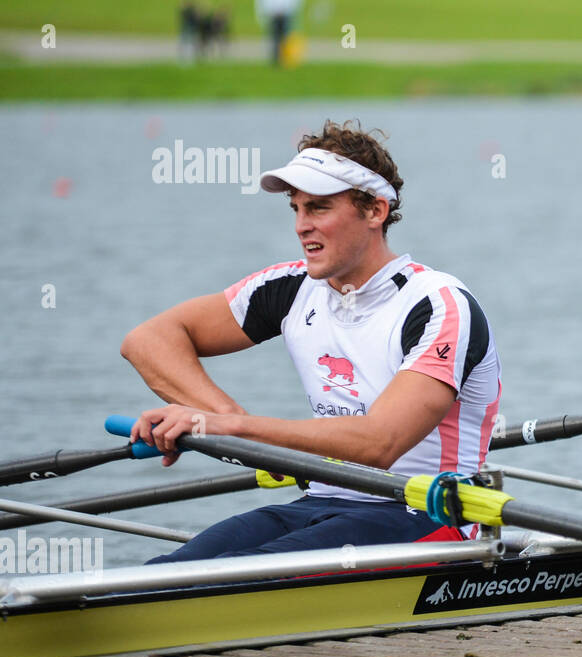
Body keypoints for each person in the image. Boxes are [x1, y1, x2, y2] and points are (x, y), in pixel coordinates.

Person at [122, 121, 501, 563]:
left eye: (319, 208)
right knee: (167, 571)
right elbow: (148, 340)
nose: (302, 226)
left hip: (427, 516)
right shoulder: (289, 287)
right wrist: (225, 418)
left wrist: (236, 429)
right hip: (320, 503)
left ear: (375, 211)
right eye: (296, 209)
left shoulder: (438, 306)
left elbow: (379, 444)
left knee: (221, 580)